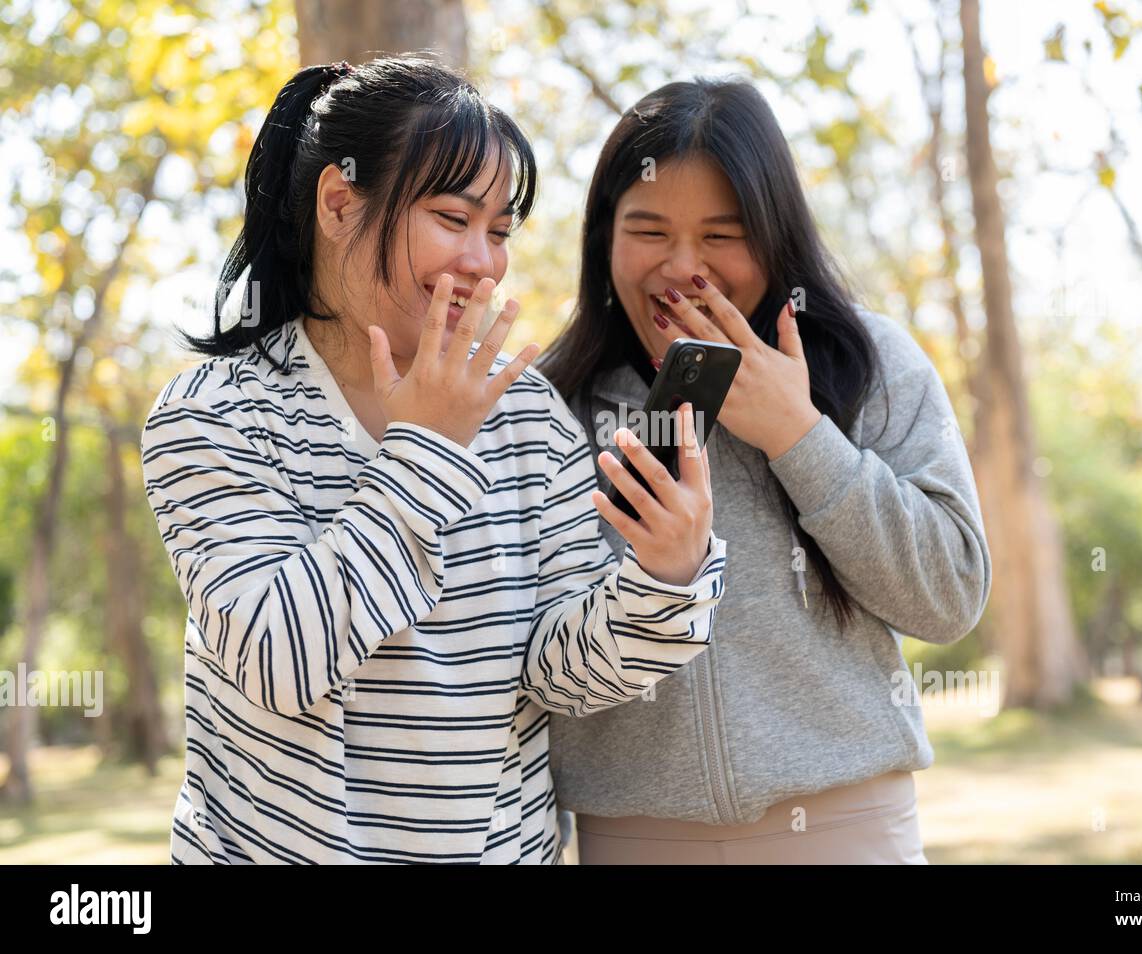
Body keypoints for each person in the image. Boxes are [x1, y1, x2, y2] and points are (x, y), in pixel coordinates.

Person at [140, 55, 726, 865]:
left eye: (499, 232)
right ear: (341, 203)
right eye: (454, 219)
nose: (483, 263)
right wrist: (424, 454)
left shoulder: (525, 414)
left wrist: (664, 576)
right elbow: (278, 657)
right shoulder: (215, 413)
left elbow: (562, 676)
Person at [540, 79, 991, 864]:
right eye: (648, 230)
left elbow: (950, 594)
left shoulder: (869, 363)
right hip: (632, 840)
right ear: (604, 237)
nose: (685, 268)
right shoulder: (549, 405)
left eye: (724, 234)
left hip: (848, 833)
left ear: (777, 235)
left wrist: (800, 435)